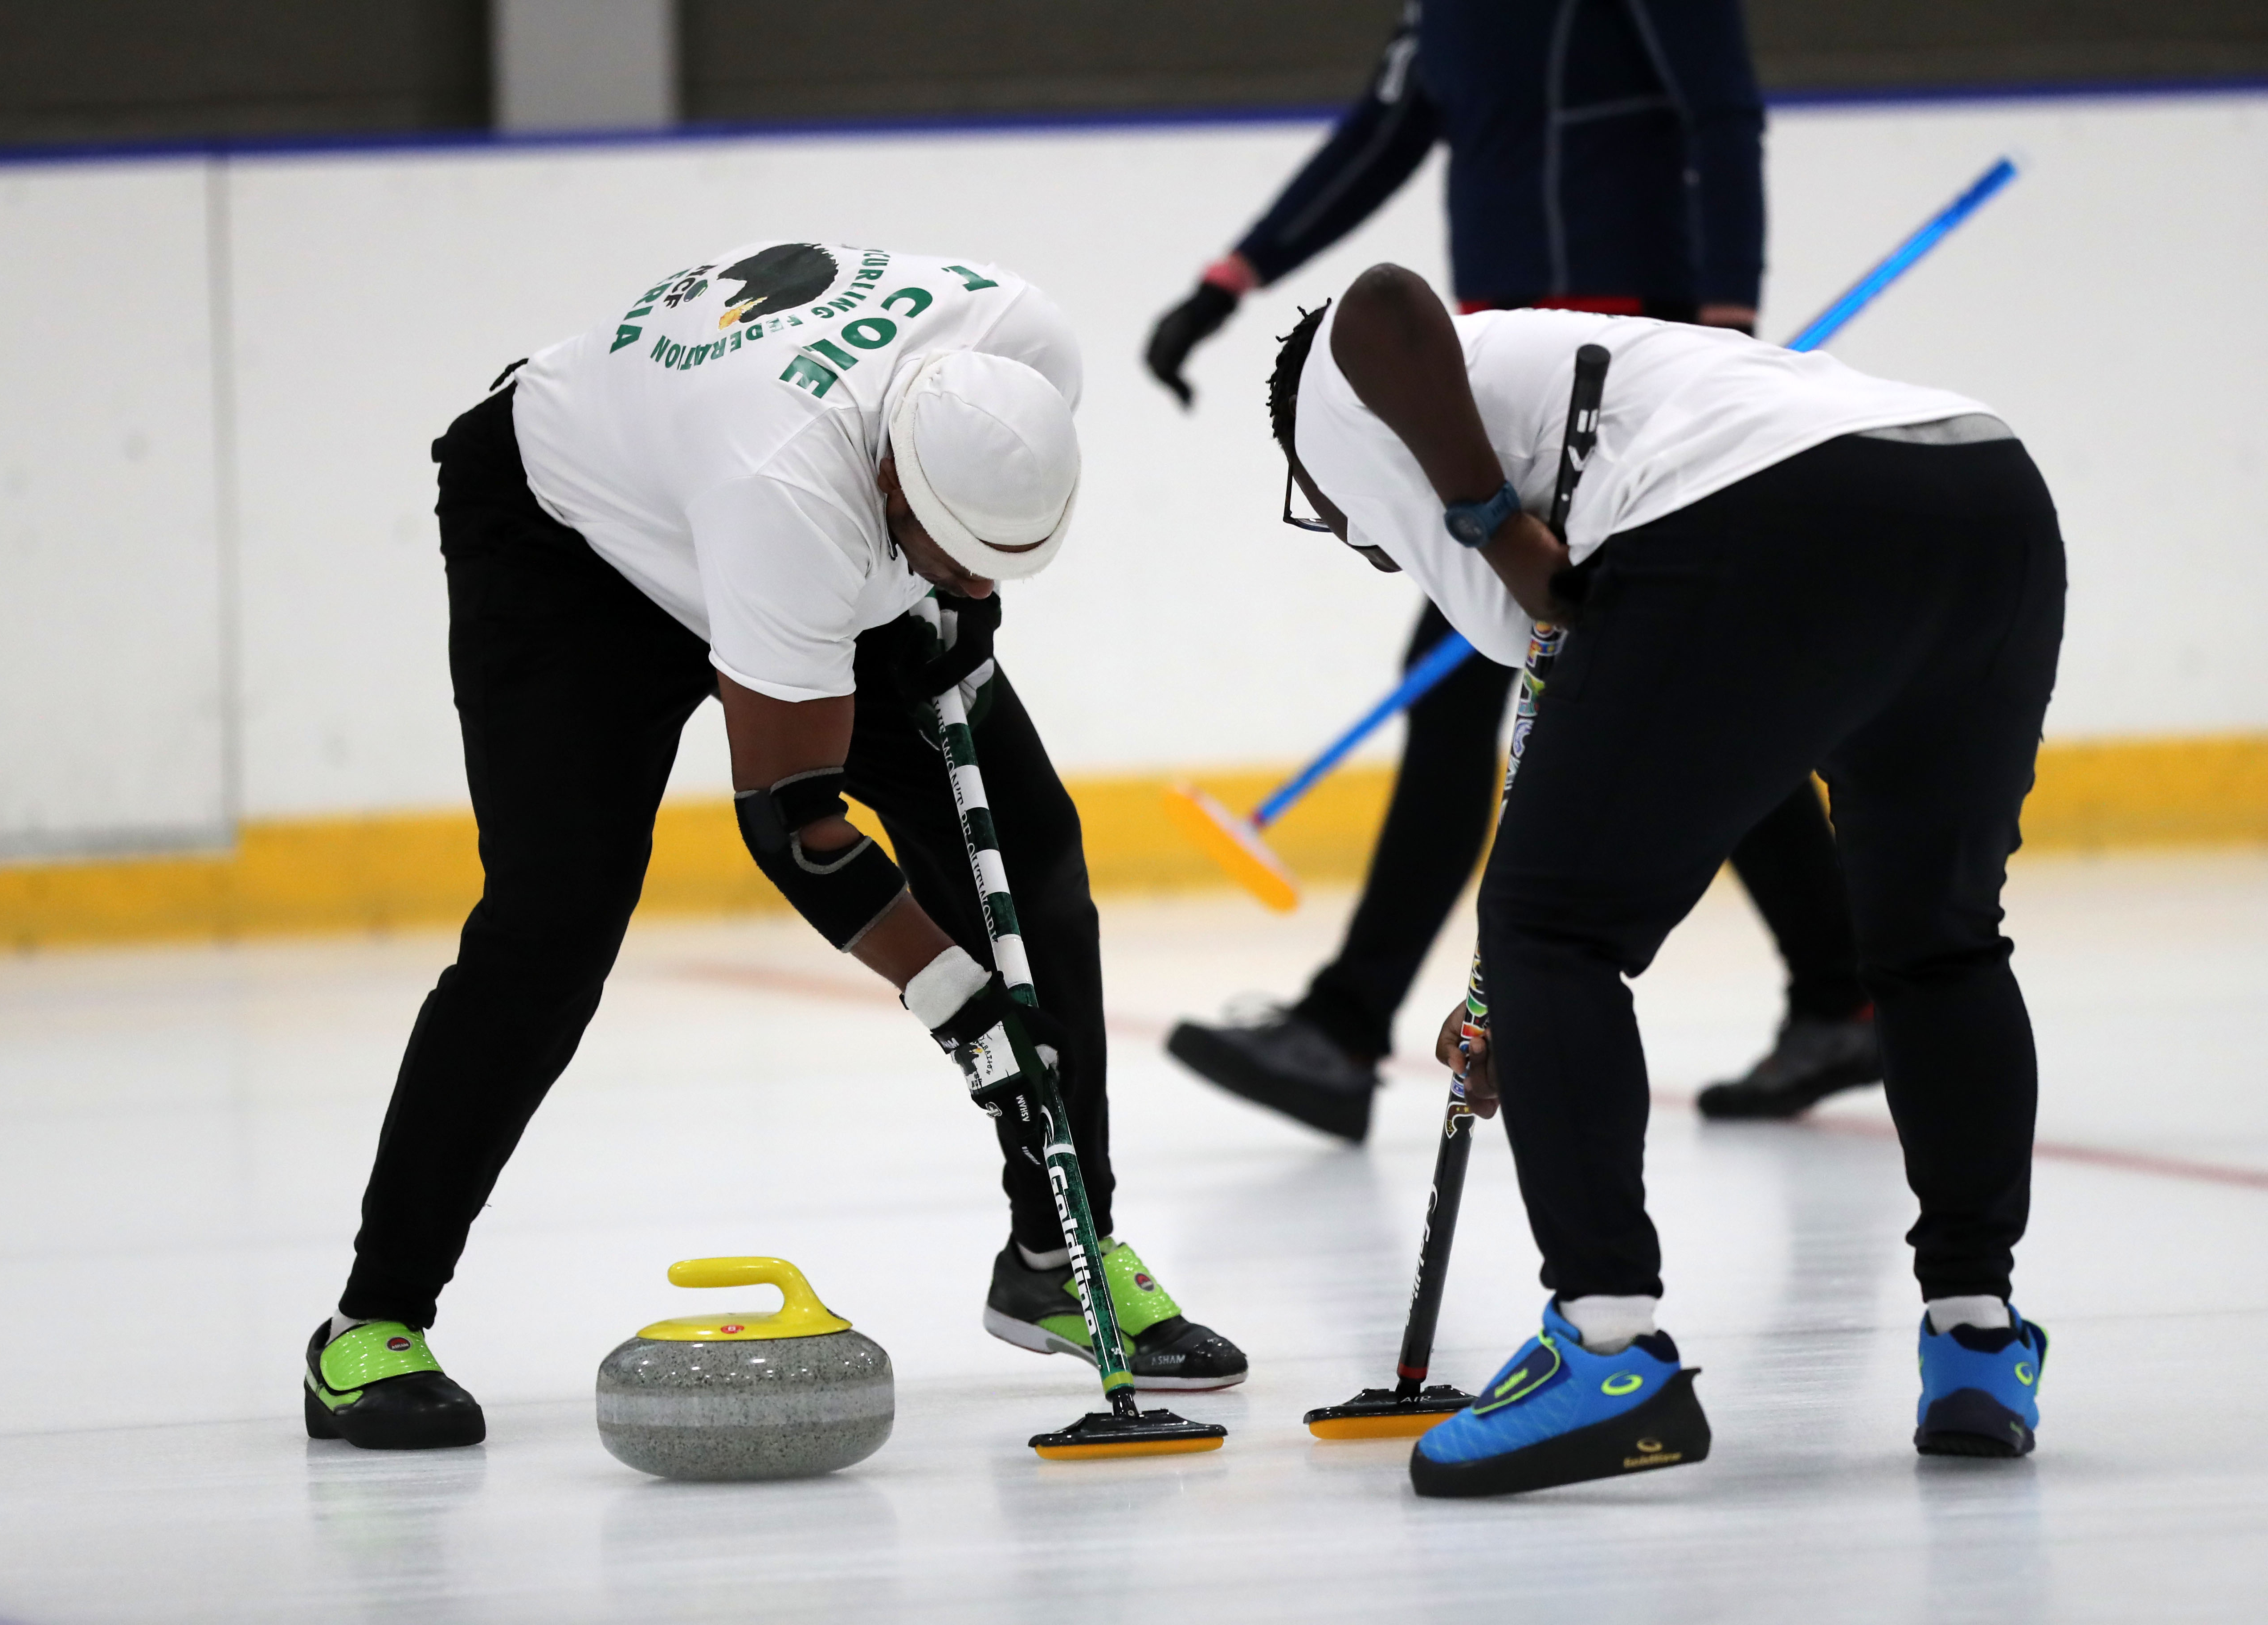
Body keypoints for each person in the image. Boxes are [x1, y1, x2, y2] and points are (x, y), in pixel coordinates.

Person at [302, 241, 1246, 1451]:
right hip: (567, 544)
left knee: (1029, 850)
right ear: (898, 495)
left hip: (776, 507)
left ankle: (1060, 1254)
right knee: (552, 926)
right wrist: (959, 1006)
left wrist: (951, 607)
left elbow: (947, 583)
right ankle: (370, 1324)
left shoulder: (1023, 344)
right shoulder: (789, 499)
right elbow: (795, 830)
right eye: (948, 557)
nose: (964, 581)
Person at [1273, 264, 2060, 1493]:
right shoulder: (1595, 405)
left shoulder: (1340, 393)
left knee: (1550, 929)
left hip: (1776, 509)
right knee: (1935, 939)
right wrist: (1519, 1022)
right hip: (1984, 495)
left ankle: (1605, 1350)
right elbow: (1579, 680)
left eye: (1322, 517)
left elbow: (1375, 304)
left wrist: (1489, 522)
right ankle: (1977, 1339)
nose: (1363, 549)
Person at [1147, 0, 1878, 1139]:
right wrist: (1232, 278)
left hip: (1627, 380)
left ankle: (1346, 1025)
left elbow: (1722, 117)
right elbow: (1381, 138)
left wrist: (1730, 321)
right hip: (1495, 386)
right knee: (1670, 692)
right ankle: (1843, 994)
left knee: (1465, 688)